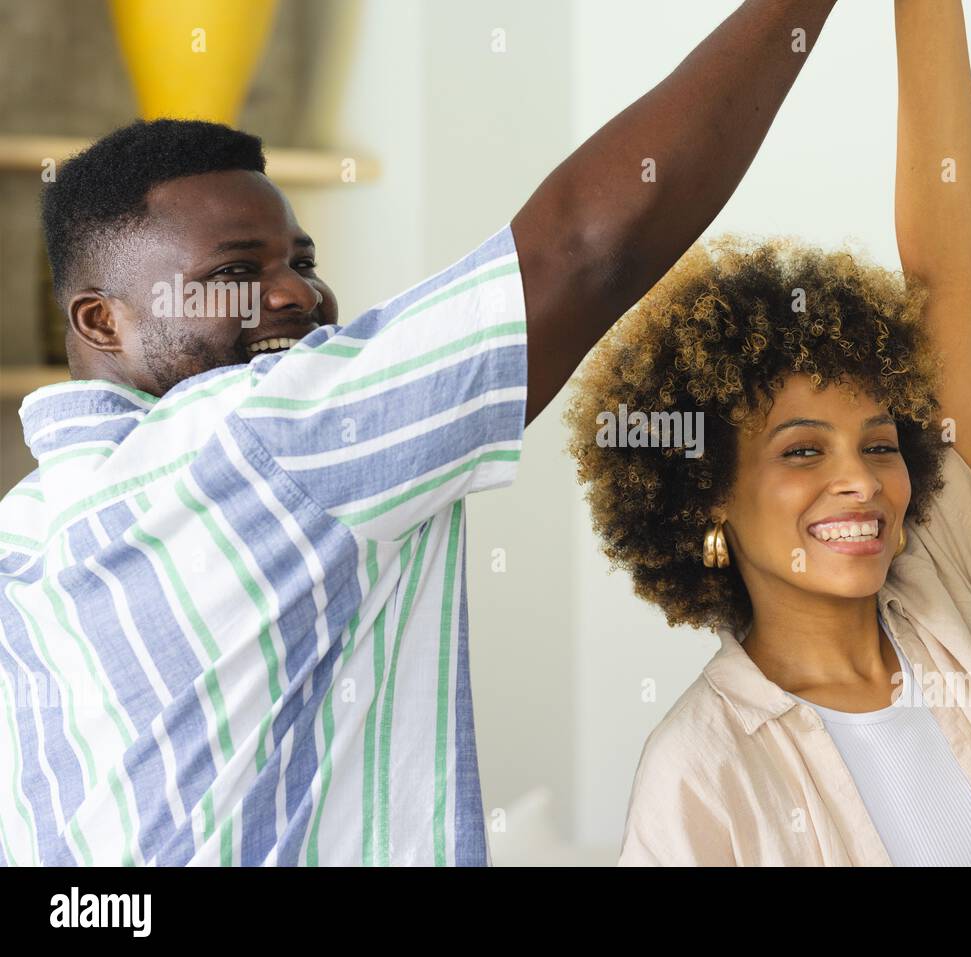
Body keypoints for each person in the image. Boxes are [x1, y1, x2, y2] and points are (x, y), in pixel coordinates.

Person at [0, 0, 841, 866]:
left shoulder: (27, 527)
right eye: (234, 274)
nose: (295, 295)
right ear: (102, 321)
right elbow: (588, 250)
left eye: (303, 261)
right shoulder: (259, 441)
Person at [565, 0, 971, 866]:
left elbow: (949, 278)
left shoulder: (945, 589)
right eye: (802, 449)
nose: (861, 480)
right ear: (708, 493)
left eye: (881, 441)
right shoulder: (698, 776)